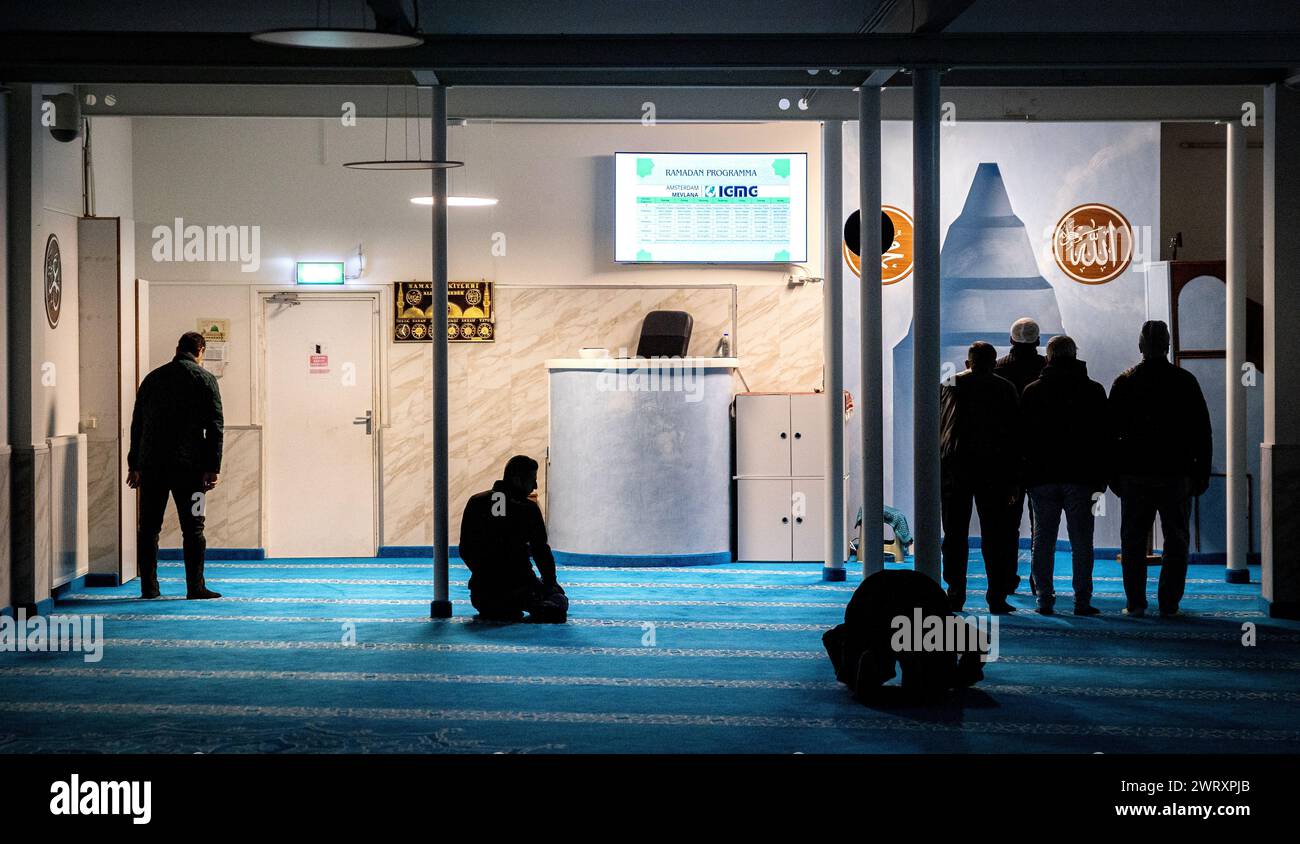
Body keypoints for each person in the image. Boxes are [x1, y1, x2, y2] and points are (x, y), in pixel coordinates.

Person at [1108, 321, 1212, 618]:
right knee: (1176, 540)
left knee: (1133, 540)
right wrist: (1200, 474)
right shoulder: (1184, 381)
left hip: (1134, 475)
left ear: (1141, 346)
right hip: (1176, 475)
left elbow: (1110, 433)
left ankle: (1136, 603)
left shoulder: (1125, 382)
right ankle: (1169, 603)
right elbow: (1201, 432)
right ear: (1168, 346)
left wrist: (1114, 475)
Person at [127, 332, 224, 600]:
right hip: (191, 470)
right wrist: (213, 467)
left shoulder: (152, 379)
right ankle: (195, 587)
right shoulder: (205, 379)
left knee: (148, 529)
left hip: (152, 467)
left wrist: (133, 464)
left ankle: (149, 588)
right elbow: (215, 427)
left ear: (178, 348)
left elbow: (138, 425)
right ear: (201, 350)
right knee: (194, 529)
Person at [1020, 335, 1109, 616]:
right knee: (1082, 541)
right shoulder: (1093, 390)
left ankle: (1044, 598)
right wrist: (1102, 478)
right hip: (1081, 477)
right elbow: (1102, 439)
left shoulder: (1032, 391)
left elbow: (1023, 438)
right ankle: (1082, 600)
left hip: (1042, 477)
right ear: (1075, 355)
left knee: (1042, 539)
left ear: (1048, 357)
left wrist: (1026, 475)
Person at [940, 341, 1021, 613]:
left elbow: (938, 429)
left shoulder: (949, 384)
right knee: (995, 536)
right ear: (994, 362)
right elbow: (1014, 437)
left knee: (954, 535)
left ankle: (955, 594)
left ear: (968, 362)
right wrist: (1013, 480)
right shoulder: (1005, 388)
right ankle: (996, 597)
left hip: (955, 471)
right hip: (994, 473)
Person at [823, 569, 985, 703]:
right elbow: (980, 642)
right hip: (913, 610)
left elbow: (835, 636)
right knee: (936, 685)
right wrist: (961, 677)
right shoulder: (945, 620)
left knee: (858, 649)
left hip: (871, 603)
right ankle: (915, 667)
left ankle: (866, 666)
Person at [459, 455, 568, 623]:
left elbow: (466, 549)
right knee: (559, 600)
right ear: (517, 480)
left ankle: (508, 606)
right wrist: (550, 584)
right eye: (532, 480)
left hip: (482, 595)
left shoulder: (476, 502)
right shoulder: (528, 509)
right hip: (521, 588)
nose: (535, 486)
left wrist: (486, 576)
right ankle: (536, 605)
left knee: (506, 606)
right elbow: (541, 551)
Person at [995, 317, 1046, 595]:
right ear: (1038, 342)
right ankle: (1039, 580)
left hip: (1007, 459)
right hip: (1040, 458)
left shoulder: (998, 369)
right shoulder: (1046, 369)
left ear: (1011, 340)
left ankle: (1005, 578)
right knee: (1042, 525)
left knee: (1006, 526)